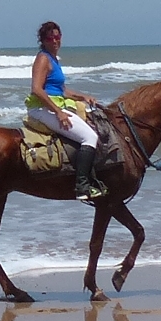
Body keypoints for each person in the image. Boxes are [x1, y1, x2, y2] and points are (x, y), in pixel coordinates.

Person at [28, 21, 106, 201]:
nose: (55, 41)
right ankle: (82, 186)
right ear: (43, 41)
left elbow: (62, 90)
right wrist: (58, 112)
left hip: (54, 105)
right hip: (41, 109)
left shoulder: (54, 59)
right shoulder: (43, 59)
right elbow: (37, 89)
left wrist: (83, 96)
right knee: (90, 137)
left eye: (57, 37)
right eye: (50, 38)